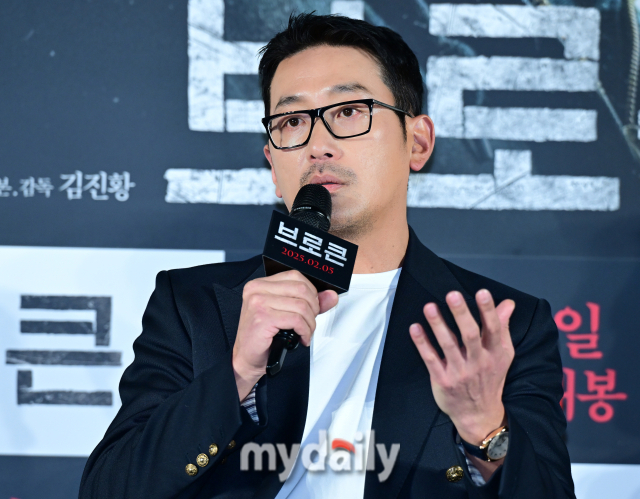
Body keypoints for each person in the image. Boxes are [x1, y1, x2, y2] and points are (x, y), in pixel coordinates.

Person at [79, 13, 575, 499]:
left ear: (418, 142)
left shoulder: (499, 326)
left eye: (349, 112)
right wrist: (235, 375)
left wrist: (484, 428)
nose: (319, 145)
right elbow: (108, 490)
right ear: (273, 165)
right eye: (292, 121)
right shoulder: (195, 304)